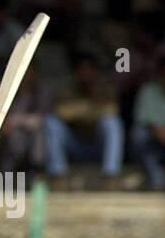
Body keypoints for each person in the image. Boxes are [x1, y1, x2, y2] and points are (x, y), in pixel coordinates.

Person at [44, 52, 124, 187]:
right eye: (82, 69)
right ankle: (58, 175)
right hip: (74, 145)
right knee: (51, 123)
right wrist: (91, 109)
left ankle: (110, 176)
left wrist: (77, 110)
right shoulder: (65, 88)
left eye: (89, 69)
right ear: (75, 72)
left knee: (112, 123)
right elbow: (60, 111)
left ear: (96, 71)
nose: (85, 73)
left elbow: (112, 109)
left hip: (98, 145)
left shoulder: (105, 87)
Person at [131, 54, 165, 190]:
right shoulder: (148, 90)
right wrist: (158, 131)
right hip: (155, 142)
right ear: (159, 75)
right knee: (138, 134)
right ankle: (157, 180)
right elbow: (144, 120)